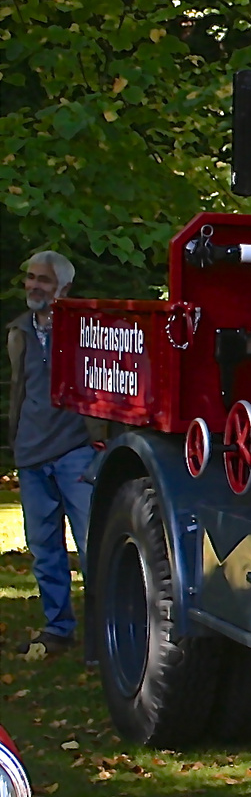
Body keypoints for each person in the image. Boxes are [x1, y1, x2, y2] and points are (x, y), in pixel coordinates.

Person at [7, 251, 103, 658]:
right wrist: (16, 441)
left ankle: (105, 637)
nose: (34, 286)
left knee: (93, 545)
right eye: (30, 278)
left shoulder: (86, 329)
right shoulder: (18, 331)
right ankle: (58, 630)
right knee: (44, 549)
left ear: (63, 287)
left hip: (76, 453)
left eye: (43, 280)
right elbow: (19, 390)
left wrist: (101, 444)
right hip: (31, 456)